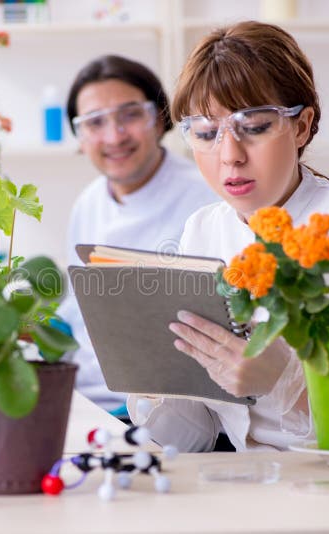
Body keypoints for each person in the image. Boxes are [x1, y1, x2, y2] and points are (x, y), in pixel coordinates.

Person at [127, 21, 329, 451]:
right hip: (245, 481)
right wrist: (154, 381)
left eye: (254, 127)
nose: (229, 155)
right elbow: (196, 438)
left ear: (301, 126)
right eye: (206, 134)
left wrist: (291, 385)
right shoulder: (203, 230)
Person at [56, 55, 218, 414]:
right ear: (81, 137)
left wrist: (139, 413)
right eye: (95, 122)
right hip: (77, 397)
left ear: (159, 119)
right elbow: (75, 311)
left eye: (130, 115)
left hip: (162, 411)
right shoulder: (88, 203)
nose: (114, 136)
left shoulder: (206, 201)